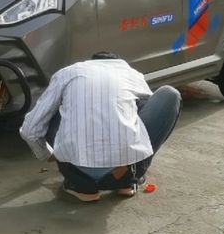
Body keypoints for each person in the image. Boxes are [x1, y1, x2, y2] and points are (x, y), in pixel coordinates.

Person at [20, 52, 181, 202]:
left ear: (90, 62)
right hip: (125, 174)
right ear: (118, 62)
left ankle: (83, 188)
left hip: (78, 176)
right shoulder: (132, 74)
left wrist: (48, 154)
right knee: (168, 95)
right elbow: (152, 111)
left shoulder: (68, 72)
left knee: (53, 109)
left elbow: (30, 129)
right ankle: (128, 181)